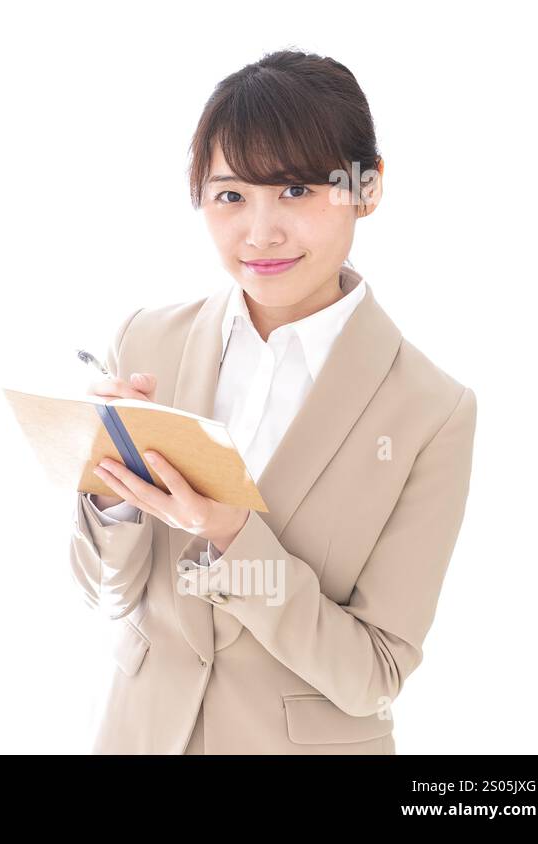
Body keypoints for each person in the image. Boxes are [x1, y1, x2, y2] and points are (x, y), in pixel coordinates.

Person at [69, 49, 477, 754]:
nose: (260, 233)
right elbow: (104, 591)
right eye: (231, 196)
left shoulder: (430, 410)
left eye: (295, 191)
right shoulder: (147, 340)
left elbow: (374, 675)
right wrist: (115, 492)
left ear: (368, 187)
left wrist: (234, 537)